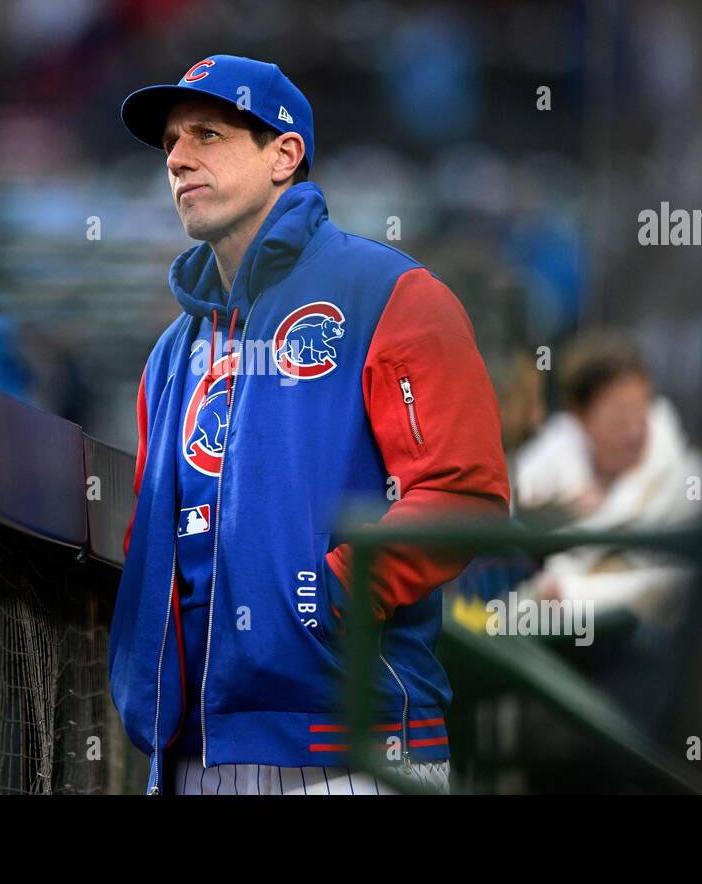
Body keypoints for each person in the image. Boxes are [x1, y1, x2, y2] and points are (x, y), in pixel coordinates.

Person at [106, 55, 510, 795]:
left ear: (284, 154)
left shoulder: (390, 292)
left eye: (208, 134)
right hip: (192, 750)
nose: (178, 158)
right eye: (169, 143)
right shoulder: (171, 353)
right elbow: (152, 536)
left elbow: (465, 494)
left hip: (353, 744)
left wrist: (325, 602)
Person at [511, 330, 702, 623]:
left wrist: (572, 592)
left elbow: (673, 581)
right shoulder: (549, 460)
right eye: (618, 418)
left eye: (640, 411)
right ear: (579, 415)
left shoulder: (689, 482)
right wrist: (552, 513)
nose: (634, 432)